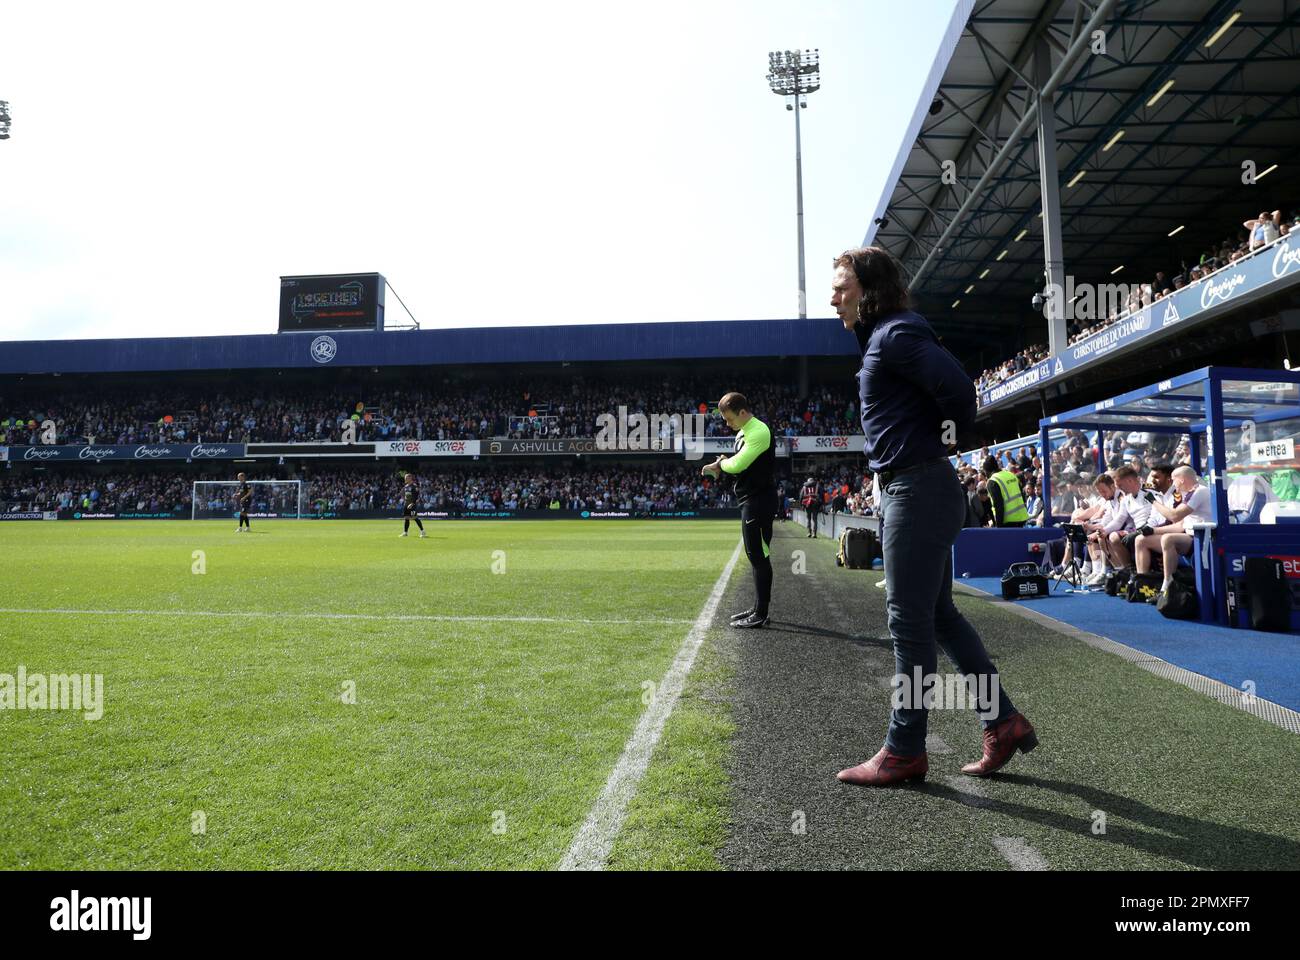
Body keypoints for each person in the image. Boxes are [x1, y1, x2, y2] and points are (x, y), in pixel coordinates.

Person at [829, 245, 1035, 787]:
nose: (832, 297)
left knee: (909, 622)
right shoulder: (883, 336)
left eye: (842, 286)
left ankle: (903, 751)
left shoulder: (895, 334)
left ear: (869, 290)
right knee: (939, 615)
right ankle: (1004, 721)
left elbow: (960, 391)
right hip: (919, 485)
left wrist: (933, 442)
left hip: (917, 487)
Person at [702, 392, 776, 629]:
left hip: (759, 501)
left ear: (742, 412)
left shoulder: (759, 431)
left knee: (758, 556)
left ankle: (761, 613)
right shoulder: (745, 431)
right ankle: (757, 607)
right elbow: (741, 460)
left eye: (729, 419)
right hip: (750, 499)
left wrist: (721, 463)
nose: (727, 423)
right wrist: (726, 459)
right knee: (756, 555)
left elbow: (739, 464)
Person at [982, 455, 1028, 528]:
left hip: (1008, 522)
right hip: (1022, 518)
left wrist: (999, 527)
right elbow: (1022, 495)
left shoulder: (992, 481)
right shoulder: (1011, 475)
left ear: (987, 471)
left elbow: (998, 505)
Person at [400, 473, 427, 538]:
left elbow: (416, 496)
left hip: (412, 505)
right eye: (405, 478)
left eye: (406, 478)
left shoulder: (414, 486)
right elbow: (402, 493)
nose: (405, 479)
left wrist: (412, 503)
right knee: (406, 518)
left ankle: (423, 531)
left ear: (410, 478)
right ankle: (405, 532)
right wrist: (404, 499)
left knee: (414, 517)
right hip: (406, 504)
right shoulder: (406, 487)